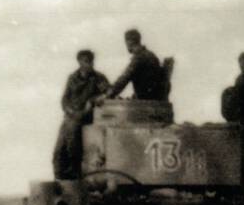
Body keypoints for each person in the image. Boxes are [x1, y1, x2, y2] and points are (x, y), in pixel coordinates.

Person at [52, 49, 109, 179]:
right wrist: (69, 110)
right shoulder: (72, 78)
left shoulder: (98, 78)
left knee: (73, 137)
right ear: (80, 62)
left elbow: (108, 93)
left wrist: (93, 101)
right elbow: (64, 99)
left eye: (91, 61)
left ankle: (75, 171)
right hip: (71, 115)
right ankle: (60, 177)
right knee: (58, 150)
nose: (89, 64)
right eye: (86, 61)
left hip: (87, 115)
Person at [106, 29, 167, 100]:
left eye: (126, 42)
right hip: (152, 97)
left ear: (129, 42)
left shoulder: (139, 58)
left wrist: (108, 94)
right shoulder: (150, 55)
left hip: (146, 101)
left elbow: (124, 78)